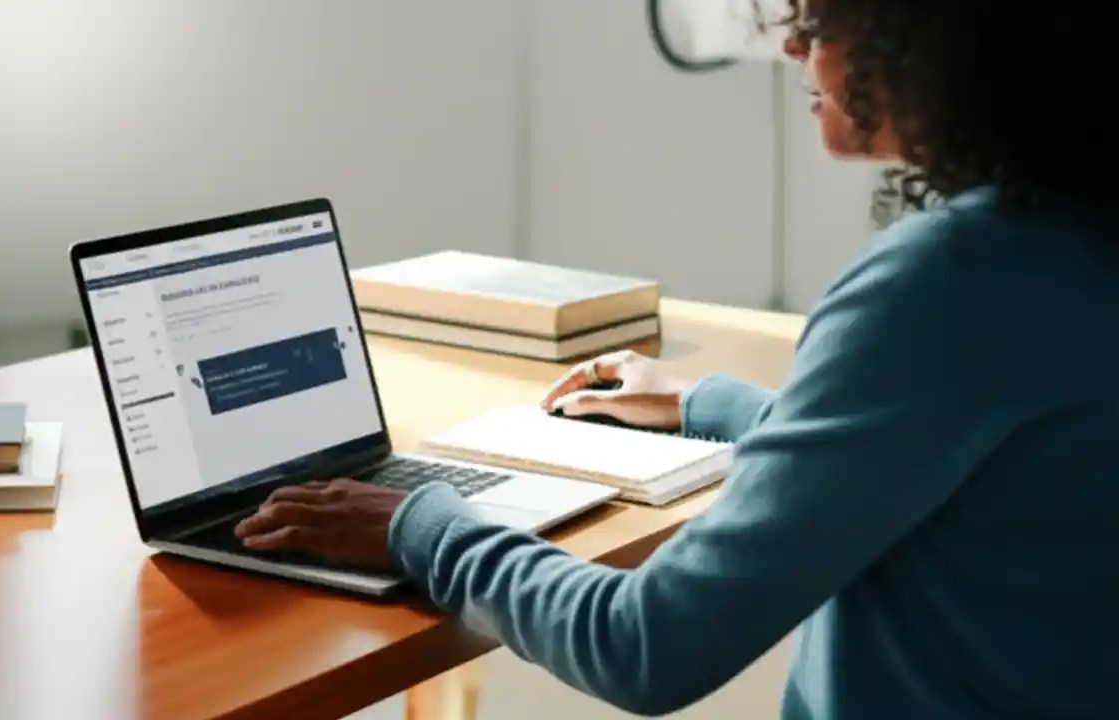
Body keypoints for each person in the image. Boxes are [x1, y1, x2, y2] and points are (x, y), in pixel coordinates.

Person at [235, 1, 1119, 717]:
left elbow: (645, 647)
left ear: (937, 41)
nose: (792, 46)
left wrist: (417, 524)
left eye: (818, 18)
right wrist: (714, 406)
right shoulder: (1067, 237)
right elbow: (947, 466)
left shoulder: (948, 279)